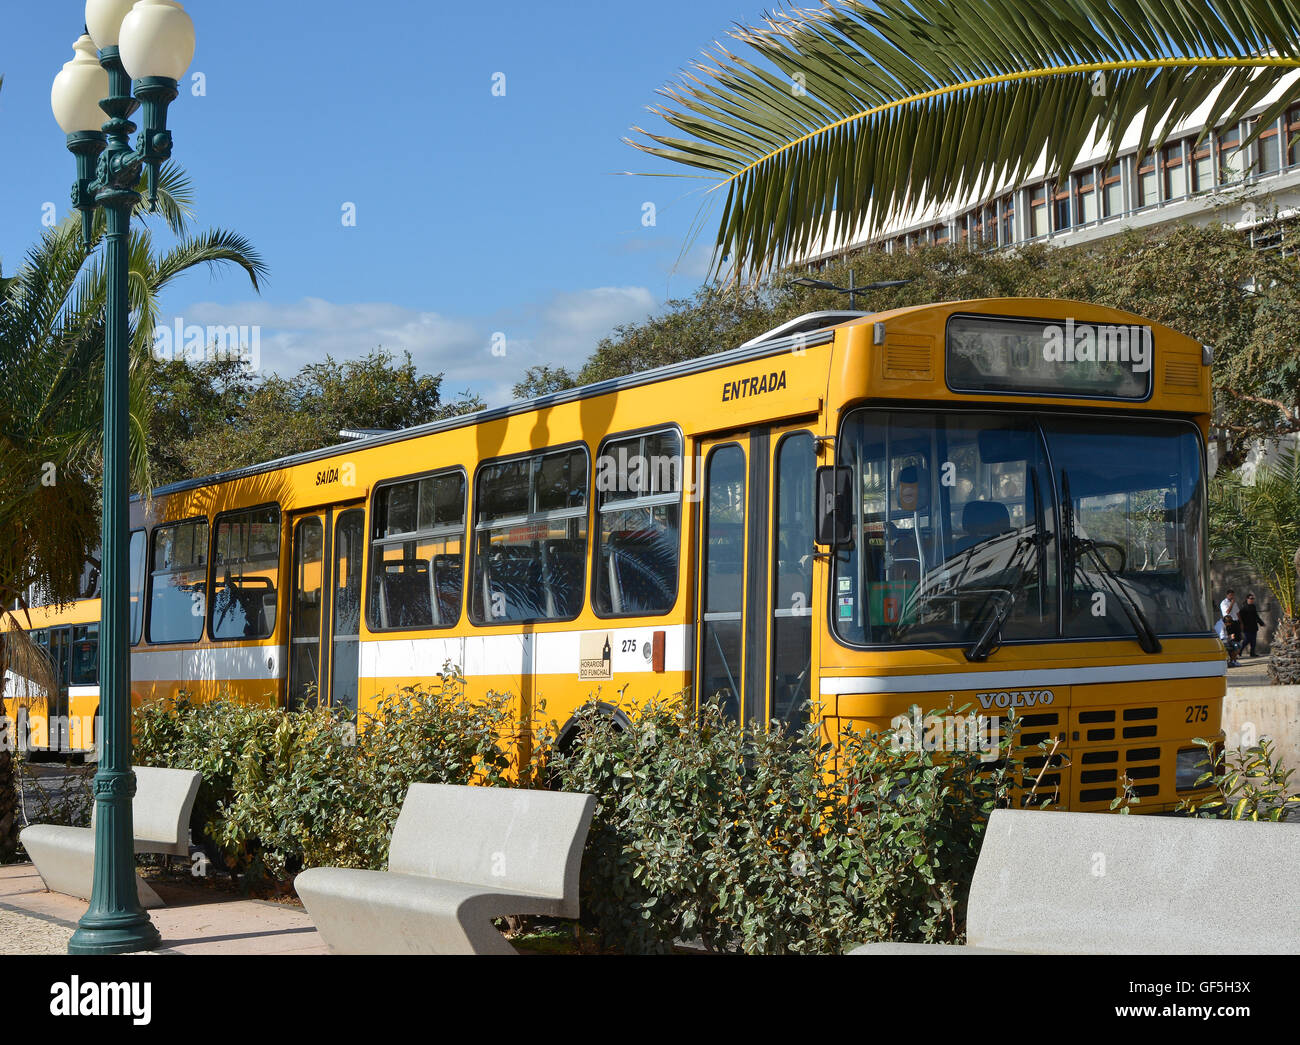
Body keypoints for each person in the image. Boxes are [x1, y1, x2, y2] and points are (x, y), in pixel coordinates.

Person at [1239, 593, 1262, 657]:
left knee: (1253, 641)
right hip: (1247, 627)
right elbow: (1240, 617)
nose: (1252, 600)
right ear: (1247, 599)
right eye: (1251, 598)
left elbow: (1256, 616)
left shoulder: (1253, 606)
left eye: (1253, 599)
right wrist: (1242, 625)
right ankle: (1239, 651)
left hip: (1253, 626)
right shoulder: (1244, 607)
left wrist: (1261, 623)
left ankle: (1252, 653)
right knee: (1247, 640)